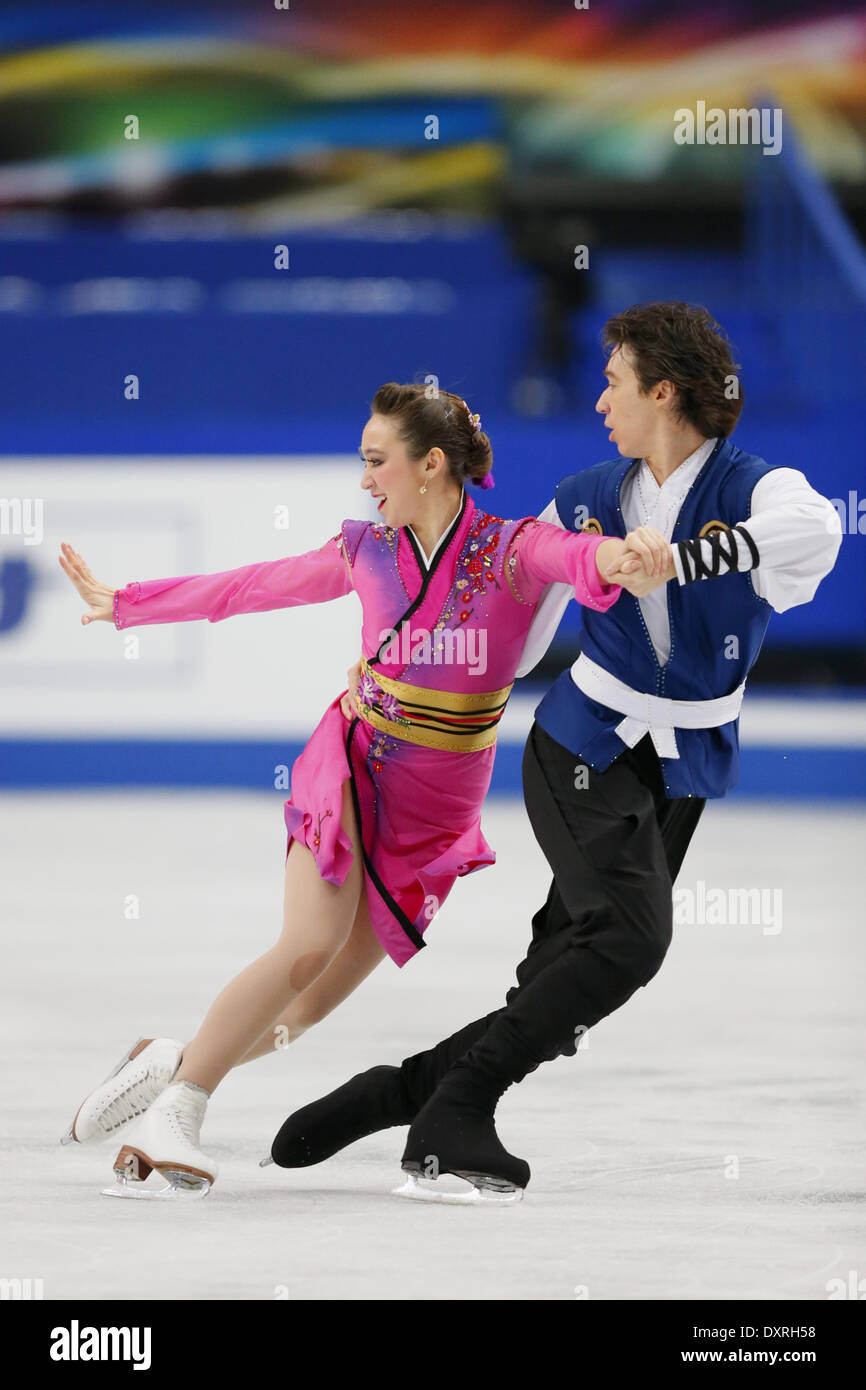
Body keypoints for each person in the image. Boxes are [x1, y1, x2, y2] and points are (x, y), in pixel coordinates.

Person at [266, 303, 843, 1205]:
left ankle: (406, 1090)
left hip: (679, 768)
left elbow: (818, 531)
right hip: (580, 748)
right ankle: (455, 1110)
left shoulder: (753, 487)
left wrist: (682, 562)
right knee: (632, 941)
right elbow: (510, 632)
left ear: (664, 389)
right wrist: (399, 663)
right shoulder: (580, 500)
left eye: (615, 381)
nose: (601, 398)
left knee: (567, 981)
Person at [58, 381, 665, 1199]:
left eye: (377, 461)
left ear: (432, 463)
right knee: (304, 947)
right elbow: (252, 585)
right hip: (354, 762)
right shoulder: (365, 548)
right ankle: (183, 1106)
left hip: (439, 804)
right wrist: (128, 604)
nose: (366, 479)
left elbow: (576, 557)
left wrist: (620, 556)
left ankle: (172, 1060)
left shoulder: (513, 549)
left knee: (302, 1013)